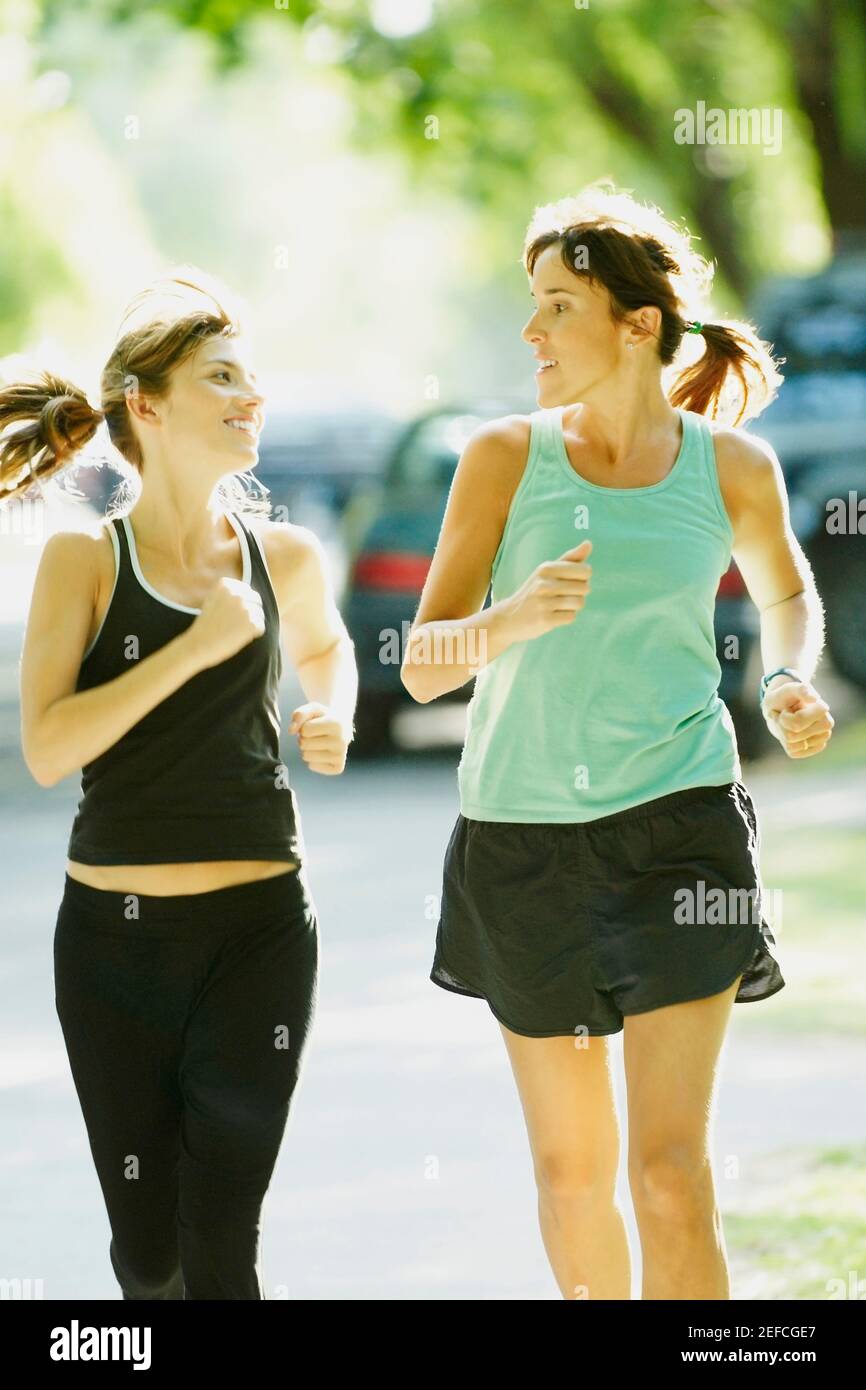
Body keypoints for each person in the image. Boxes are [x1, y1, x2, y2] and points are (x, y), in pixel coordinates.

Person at [400, 181, 835, 1301]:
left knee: (668, 1176)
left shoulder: (730, 467)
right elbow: (421, 663)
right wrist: (509, 619)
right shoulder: (502, 457)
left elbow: (787, 597)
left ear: (635, 325)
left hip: (678, 827)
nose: (531, 330)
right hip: (520, 838)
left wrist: (786, 676)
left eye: (555, 305)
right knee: (571, 1173)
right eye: (530, 304)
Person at [4, 267, 357, 1299]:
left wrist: (326, 708)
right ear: (146, 405)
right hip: (114, 950)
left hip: (259, 934)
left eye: (252, 375)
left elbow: (328, 648)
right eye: (221, 376)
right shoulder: (85, 559)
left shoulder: (282, 555)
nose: (251, 396)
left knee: (220, 1244)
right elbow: (48, 746)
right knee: (147, 1255)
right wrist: (195, 647)